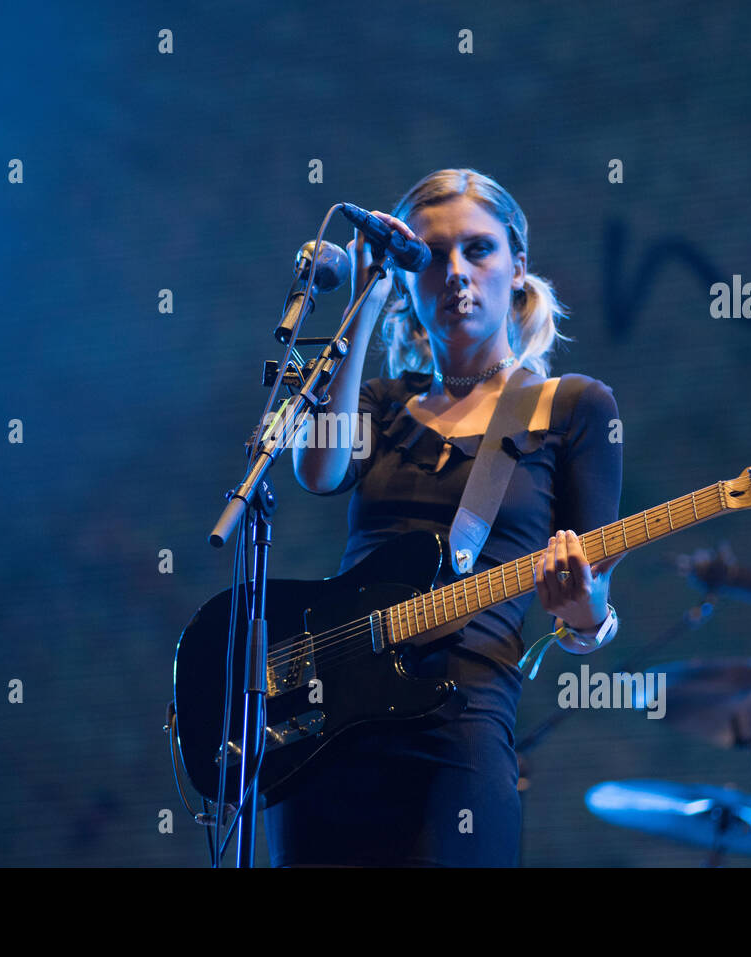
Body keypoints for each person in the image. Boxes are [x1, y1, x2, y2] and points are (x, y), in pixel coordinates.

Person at [264, 168, 624, 866]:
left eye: (479, 250)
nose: (456, 273)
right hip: (327, 721)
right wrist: (367, 300)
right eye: (431, 257)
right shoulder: (378, 402)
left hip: (460, 721)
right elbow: (319, 471)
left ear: (517, 266)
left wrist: (584, 607)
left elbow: (595, 601)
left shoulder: (576, 408)